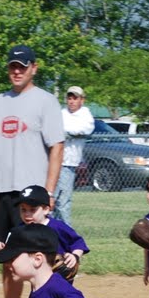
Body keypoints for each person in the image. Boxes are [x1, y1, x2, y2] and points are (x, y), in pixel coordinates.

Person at [0, 46, 65, 298]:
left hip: (31, 197)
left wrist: (48, 191)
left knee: (35, 261)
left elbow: (57, 147)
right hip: (3, 193)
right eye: (13, 66)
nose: (17, 71)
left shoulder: (45, 101)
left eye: (22, 66)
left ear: (34, 68)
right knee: (6, 258)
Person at [55, 86, 93, 223]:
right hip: (53, 161)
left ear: (82, 100)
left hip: (68, 163)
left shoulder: (85, 114)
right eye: (69, 98)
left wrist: (67, 133)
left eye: (75, 98)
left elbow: (85, 129)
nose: (71, 101)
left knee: (63, 201)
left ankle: (67, 235)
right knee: (51, 200)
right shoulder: (62, 113)